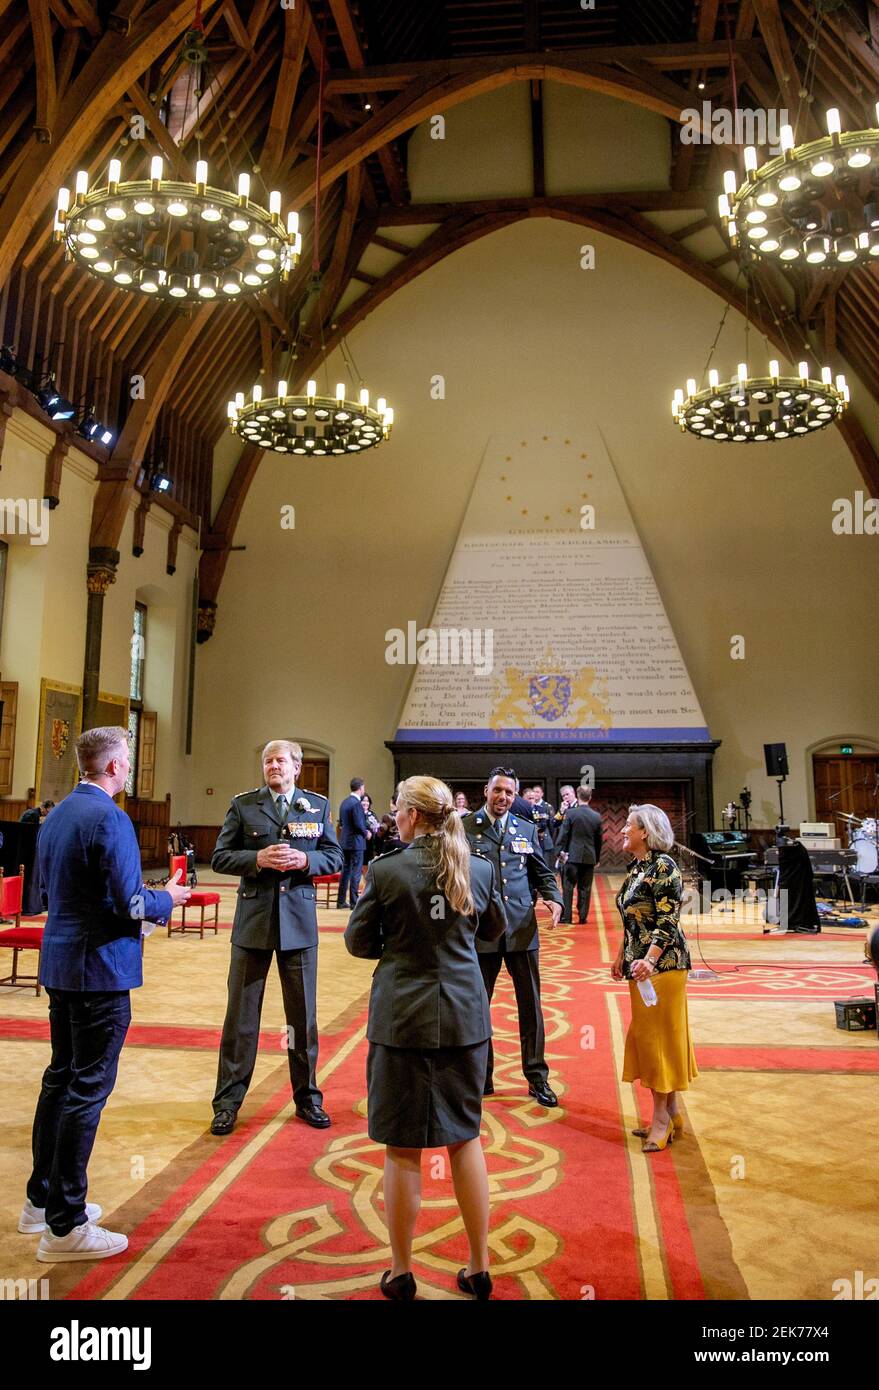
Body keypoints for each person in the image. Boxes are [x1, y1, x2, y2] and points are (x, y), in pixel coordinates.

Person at [21, 726, 189, 1261]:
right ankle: (65, 1226)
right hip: (100, 972)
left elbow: (50, 891)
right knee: (86, 1091)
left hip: (62, 963)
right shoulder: (110, 818)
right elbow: (128, 902)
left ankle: (41, 1201)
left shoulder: (57, 814)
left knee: (60, 1079)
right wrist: (169, 899)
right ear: (116, 767)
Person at [345, 775, 506, 1300]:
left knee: (402, 1146)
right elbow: (494, 932)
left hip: (402, 1018)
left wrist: (400, 951)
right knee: (466, 1138)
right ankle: (480, 1267)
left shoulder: (388, 870)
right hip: (464, 1015)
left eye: (397, 808)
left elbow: (357, 940)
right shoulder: (477, 867)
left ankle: (400, 1272)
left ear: (412, 816)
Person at [210, 740, 342, 1135]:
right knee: (241, 1018)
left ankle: (307, 1099)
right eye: (267, 761)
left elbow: (334, 856)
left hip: (298, 926)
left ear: (296, 767)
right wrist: (256, 859)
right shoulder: (244, 804)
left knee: (302, 1019)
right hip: (253, 923)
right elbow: (219, 856)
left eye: (280, 760)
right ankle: (228, 1103)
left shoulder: (316, 806)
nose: (272, 766)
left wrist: (306, 860)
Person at [461, 768, 563, 1106]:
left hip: (521, 929)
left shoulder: (526, 828)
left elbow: (542, 873)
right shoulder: (464, 829)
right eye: (498, 791)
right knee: (478, 1006)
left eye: (509, 792)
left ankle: (537, 1078)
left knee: (530, 1006)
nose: (503, 797)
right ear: (486, 790)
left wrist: (554, 898)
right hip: (480, 931)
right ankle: (482, 1077)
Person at [611, 804, 698, 1153]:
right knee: (653, 1037)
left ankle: (660, 1120)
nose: (622, 830)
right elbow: (635, 920)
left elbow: (667, 923)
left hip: (663, 967)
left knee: (658, 1041)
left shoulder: (664, 867)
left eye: (628, 826)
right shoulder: (638, 867)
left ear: (644, 832)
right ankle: (672, 1112)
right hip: (640, 965)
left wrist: (648, 960)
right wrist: (622, 954)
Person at [556, 786, 603, 924]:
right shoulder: (596, 816)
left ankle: (567, 917)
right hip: (589, 857)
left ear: (577, 795)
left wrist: (559, 852)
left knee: (568, 887)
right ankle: (583, 917)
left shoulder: (570, 814)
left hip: (572, 856)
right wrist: (597, 858)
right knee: (585, 888)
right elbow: (598, 840)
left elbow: (563, 835)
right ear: (590, 797)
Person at [337, 777, 371, 909]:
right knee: (356, 872)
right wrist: (366, 833)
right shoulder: (356, 804)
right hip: (356, 843)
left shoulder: (345, 802)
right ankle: (353, 902)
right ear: (361, 788)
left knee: (345, 872)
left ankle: (340, 901)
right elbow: (358, 823)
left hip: (345, 841)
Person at [529, 784, 555, 856]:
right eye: (534, 792)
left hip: (545, 839)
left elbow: (551, 826)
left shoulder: (547, 807)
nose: (535, 794)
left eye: (537, 792)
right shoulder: (530, 806)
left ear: (542, 794)